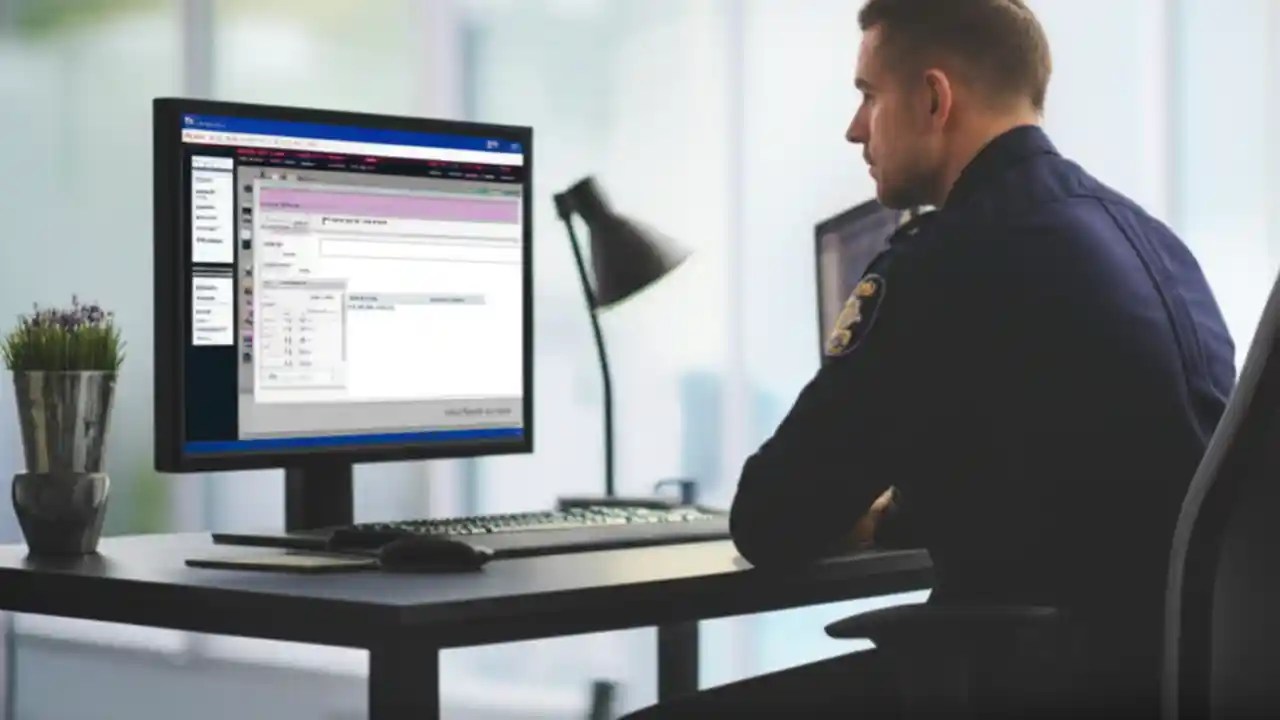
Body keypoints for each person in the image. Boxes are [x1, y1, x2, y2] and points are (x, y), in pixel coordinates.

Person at [624, 0, 1236, 717]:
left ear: (934, 98)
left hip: (1027, 684)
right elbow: (1070, 488)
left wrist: (866, 507)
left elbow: (772, 518)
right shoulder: (1153, 243)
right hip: (1178, 678)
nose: (855, 129)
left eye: (868, 96)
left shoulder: (950, 258)